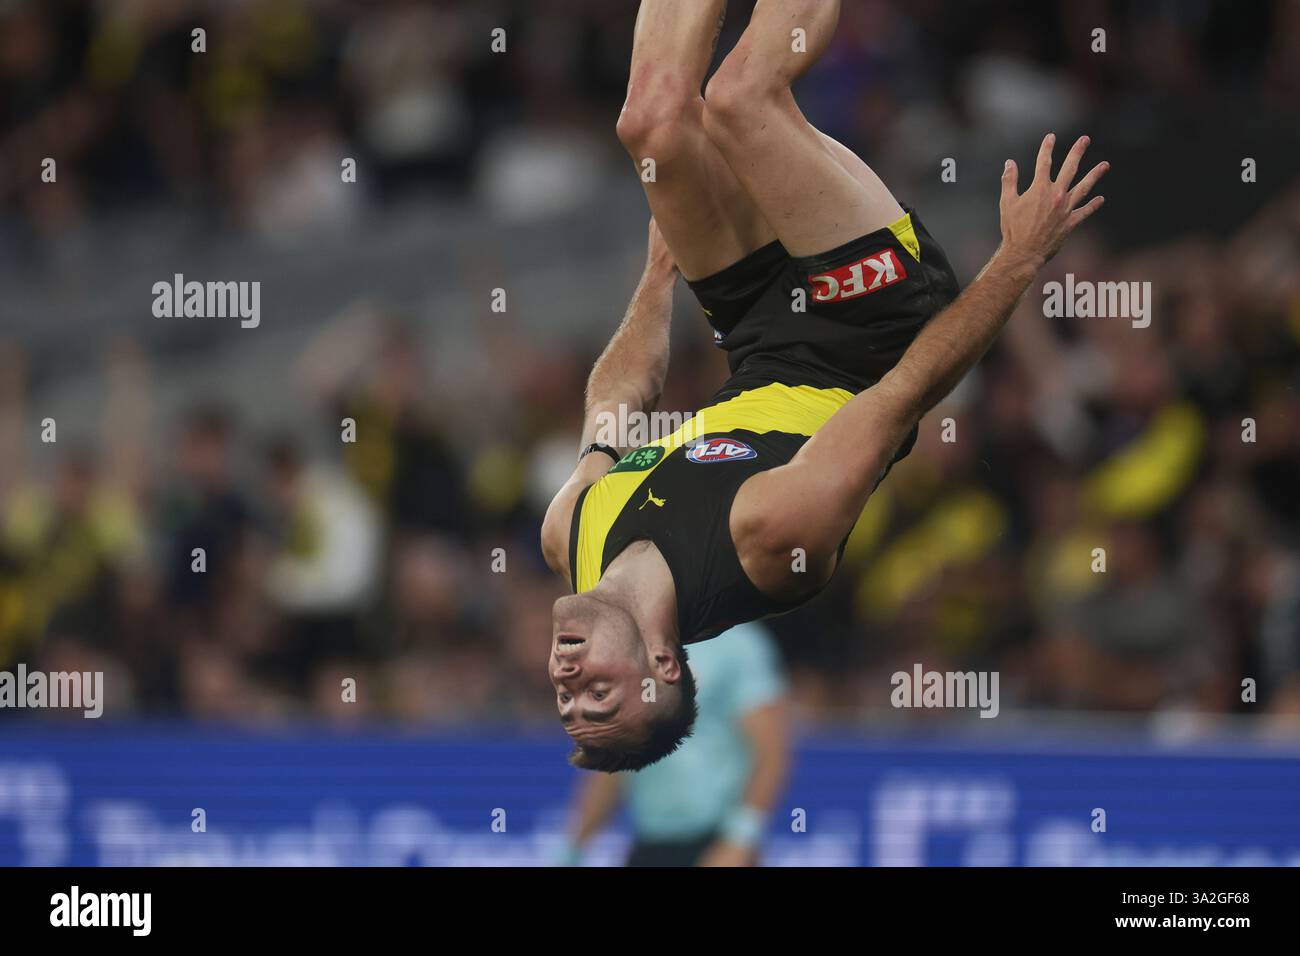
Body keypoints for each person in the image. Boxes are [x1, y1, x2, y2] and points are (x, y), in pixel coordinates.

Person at [539, 0, 1108, 771]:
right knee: (742, 100)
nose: (569, 683)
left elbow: (618, 399)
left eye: (567, 703)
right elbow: (903, 394)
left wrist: (657, 275)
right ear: (664, 665)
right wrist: (1016, 261)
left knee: (652, 128)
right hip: (872, 335)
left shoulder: (570, 532)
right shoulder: (772, 542)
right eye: (599, 698)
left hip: (754, 331)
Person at [561, 621, 789, 867]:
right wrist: (571, 849)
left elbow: (771, 753)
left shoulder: (737, 644)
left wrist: (739, 840)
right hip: (651, 844)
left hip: (718, 843)